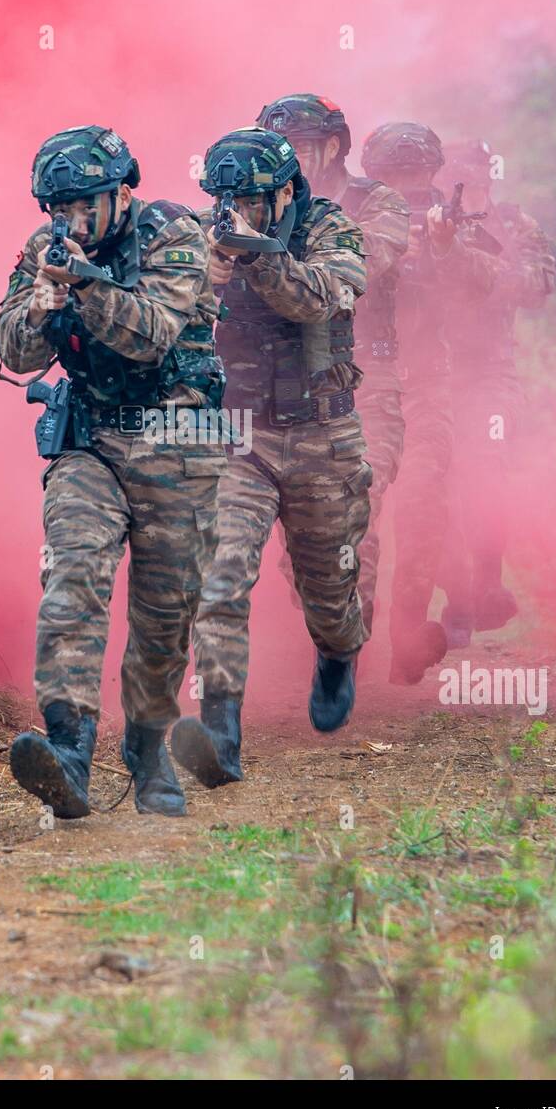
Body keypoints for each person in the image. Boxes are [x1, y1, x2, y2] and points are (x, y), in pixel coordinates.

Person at [0, 125, 227, 818]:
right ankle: (68, 751)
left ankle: (149, 749)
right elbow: (13, 351)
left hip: (176, 447)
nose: (68, 222)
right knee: (72, 579)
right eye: (56, 210)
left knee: (164, 615)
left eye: (82, 205)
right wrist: (41, 302)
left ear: (121, 191)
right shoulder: (48, 251)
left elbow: (153, 333)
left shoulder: (174, 235)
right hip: (90, 444)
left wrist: (83, 290)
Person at [171, 126, 372, 790]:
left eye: (254, 199)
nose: (241, 211)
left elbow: (325, 298)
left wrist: (258, 257)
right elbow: (161, 323)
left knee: (328, 594)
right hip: (238, 438)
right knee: (221, 577)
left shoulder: (328, 225)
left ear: (287, 189)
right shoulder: (208, 233)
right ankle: (221, 736)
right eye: (230, 200)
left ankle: (338, 653)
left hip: (323, 438)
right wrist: (207, 275)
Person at [256, 94, 409, 637]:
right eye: (279, 147)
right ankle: (334, 627)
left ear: (333, 146)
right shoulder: (255, 202)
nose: (289, 157)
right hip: (279, 384)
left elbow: (365, 261)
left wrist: (274, 254)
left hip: (363, 378)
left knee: (356, 501)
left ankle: (348, 648)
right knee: (300, 532)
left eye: (299, 146)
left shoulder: (378, 203)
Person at [360, 122, 501, 684]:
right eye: (396, 175)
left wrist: (444, 249)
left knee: (421, 504)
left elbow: (487, 284)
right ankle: (341, 636)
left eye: (417, 175)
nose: (409, 186)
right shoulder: (348, 218)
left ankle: (408, 636)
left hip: (426, 384)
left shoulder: (454, 219)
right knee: (353, 509)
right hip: (361, 382)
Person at [436, 139, 556, 645]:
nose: (472, 187)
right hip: (427, 370)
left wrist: (476, 253)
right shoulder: (420, 219)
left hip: (488, 369)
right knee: (426, 486)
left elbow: (537, 285)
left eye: (480, 177)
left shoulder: (512, 223)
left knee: (487, 467)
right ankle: (457, 595)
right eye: (460, 178)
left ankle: (487, 582)